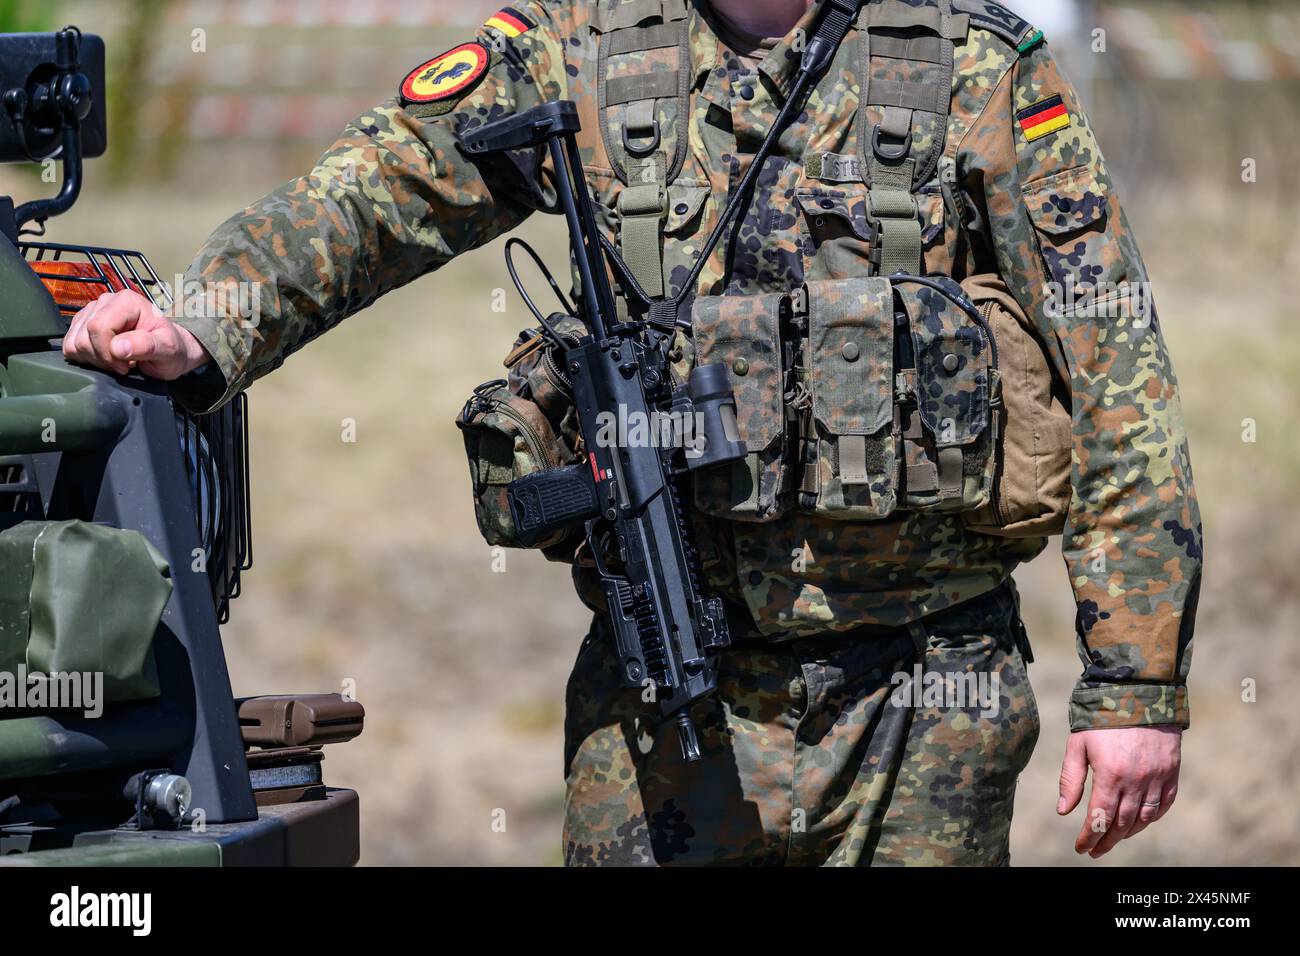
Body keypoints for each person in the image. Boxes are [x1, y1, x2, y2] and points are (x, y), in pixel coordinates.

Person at [61, 0, 1201, 866]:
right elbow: (384, 185)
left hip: (922, 691)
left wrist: (1135, 685)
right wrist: (204, 315)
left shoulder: (973, 66)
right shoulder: (584, 44)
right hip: (663, 685)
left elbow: (1112, 373)